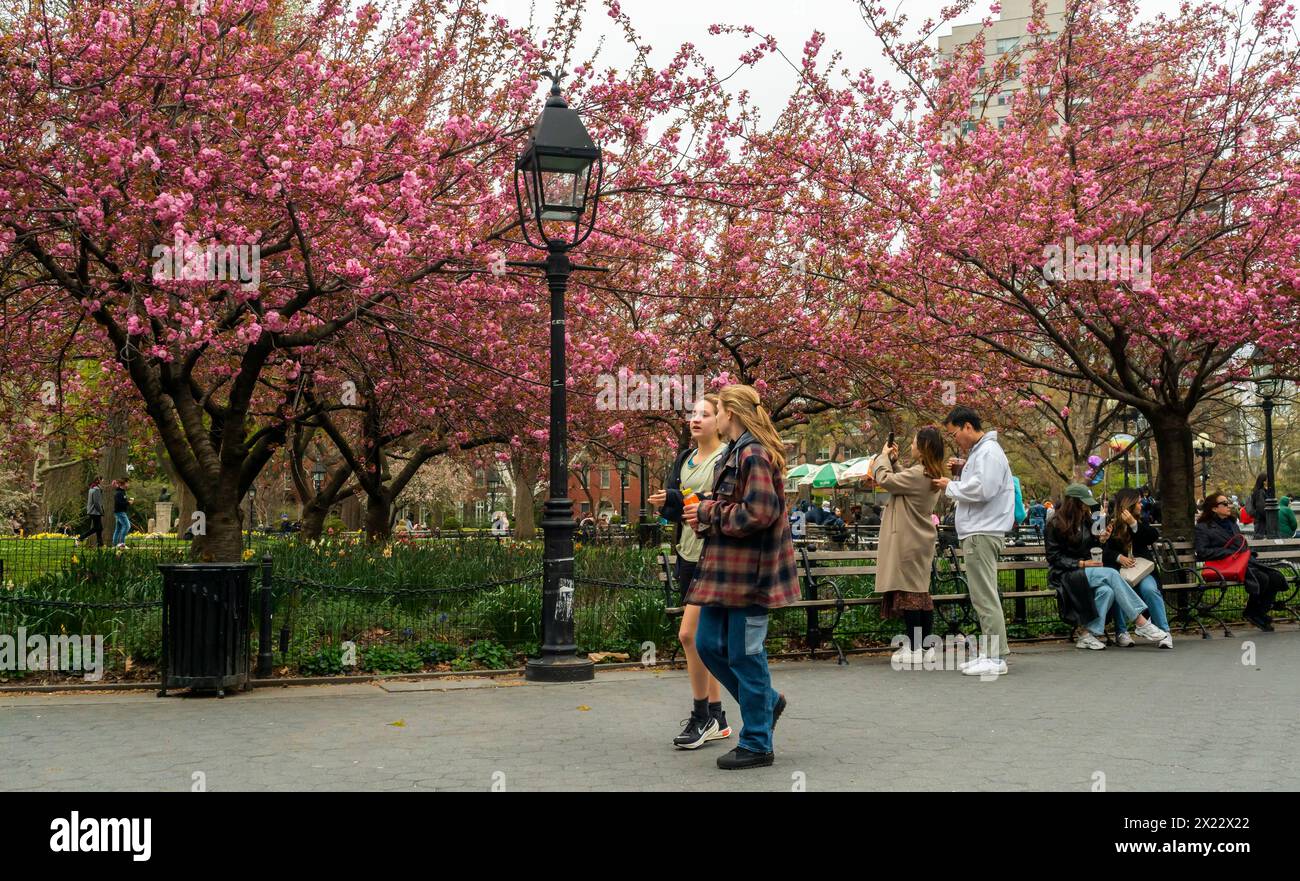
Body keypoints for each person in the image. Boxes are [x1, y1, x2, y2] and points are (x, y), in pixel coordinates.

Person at [684, 385, 799, 770]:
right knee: (708, 644)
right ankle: (766, 703)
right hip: (725, 576)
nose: (708, 418)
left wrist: (709, 512)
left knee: (747, 657)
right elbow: (734, 510)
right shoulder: (735, 453)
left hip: (751, 577)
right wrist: (703, 515)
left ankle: (757, 742)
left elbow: (759, 513)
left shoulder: (753, 454)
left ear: (728, 415)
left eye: (714, 412)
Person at [649, 394, 730, 750]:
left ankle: (703, 716)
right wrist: (665, 501)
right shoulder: (684, 458)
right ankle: (718, 716)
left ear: (719, 420)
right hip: (687, 553)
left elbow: (723, 502)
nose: (696, 419)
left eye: (705, 414)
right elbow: (678, 505)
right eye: (693, 414)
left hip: (714, 556)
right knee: (704, 641)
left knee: (689, 636)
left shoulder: (726, 457)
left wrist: (702, 502)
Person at [931, 407, 1015, 676]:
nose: (955, 439)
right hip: (980, 530)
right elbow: (982, 483)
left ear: (967, 427)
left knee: (984, 595)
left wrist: (950, 486)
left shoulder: (988, 452)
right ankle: (990, 652)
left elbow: (984, 489)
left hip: (982, 531)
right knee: (982, 595)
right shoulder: (982, 452)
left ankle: (996, 656)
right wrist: (962, 472)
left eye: (954, 433)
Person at [1046, 484, 1169, 650]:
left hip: (1086, 571)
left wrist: (1101, 540)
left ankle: (1087, 635)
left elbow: (1091, 548)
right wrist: (1081, 563)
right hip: (1066, 574)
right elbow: (1054, 558)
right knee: (1111, 574)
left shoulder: (1085, 520)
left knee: (1107, 591)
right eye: (1083, 503)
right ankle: (1141, 622)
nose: (1087, 506)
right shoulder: (1054, 524)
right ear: (1073, 502)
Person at [871, 427, 944, 664]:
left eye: (914, 443)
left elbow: (885, 479)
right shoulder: (930, 474)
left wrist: (883, 458)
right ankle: (925, 646)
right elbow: (906, 480)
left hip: (908, 539)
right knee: (920, 592)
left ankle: (914, 648)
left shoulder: (917, 475)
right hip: (920, 540)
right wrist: (894, 463)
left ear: (922, 448)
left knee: (911, 594)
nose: (911, 446)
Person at [1195, 492, 1284, 631]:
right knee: (1262, 578)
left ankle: (1258, 612)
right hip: (1224, 567)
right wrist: (1229, 553)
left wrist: (1245, 553)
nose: (1228, 505)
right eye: (1224, 503)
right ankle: (1254, 613)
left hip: (1243, 562)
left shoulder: (1231, 522)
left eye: (1228, 502)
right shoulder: (1203, 527)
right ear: (1214, 508)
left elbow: (1240, 544)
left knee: (1275, 577)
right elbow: (1202, 552)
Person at [1103, 488, 1173, 649]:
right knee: (1117, 590)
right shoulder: (1110, 524)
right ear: (1130, 504)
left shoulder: (1139, 521)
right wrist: (1119, 557)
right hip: (1119, 572)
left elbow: (1152, 536)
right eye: (1139, 502)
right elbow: (1104, 550)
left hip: (1142, 571)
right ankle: (1121, 632)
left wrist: (1133, 524)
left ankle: (1164, 631)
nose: (1141, 505)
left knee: (1149, 589)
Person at [75, 477, 104, 547]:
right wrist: (101, 511)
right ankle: (80, 538)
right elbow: (96, 502)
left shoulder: (92, 488)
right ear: (98, 481)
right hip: (95, 511)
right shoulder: (96, 490)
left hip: (92, 511)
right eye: (101, 479)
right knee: (96, 528)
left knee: (99, 528)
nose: (103, 481)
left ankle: (100, 544)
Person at [110, 479, 132, 548]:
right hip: (120, 513)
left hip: (120, 512)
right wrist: (128, 503)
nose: (128, 485)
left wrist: (127, 503)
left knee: (118, 529)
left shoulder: (122, 492)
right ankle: (122, 544)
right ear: (124, 484)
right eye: (127, 483)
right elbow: (118, 503)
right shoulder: (119, 493)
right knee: (127, 526)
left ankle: (114, 545)